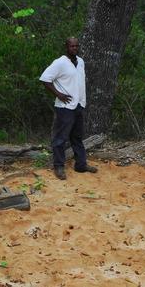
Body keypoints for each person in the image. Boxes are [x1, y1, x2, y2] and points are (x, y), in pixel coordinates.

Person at [39, 37, 98, 180]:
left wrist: (81, 101)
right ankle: (59, 166)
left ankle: (81, 165)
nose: (74, 48)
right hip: (64, 107)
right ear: (66, 47)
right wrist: (59, 94)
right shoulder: (60, 63)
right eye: (72, 46)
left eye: (77, 46)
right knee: (60, 138)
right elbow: (45, 79)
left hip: (78, 105)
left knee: (77, 137)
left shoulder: (81, 62)